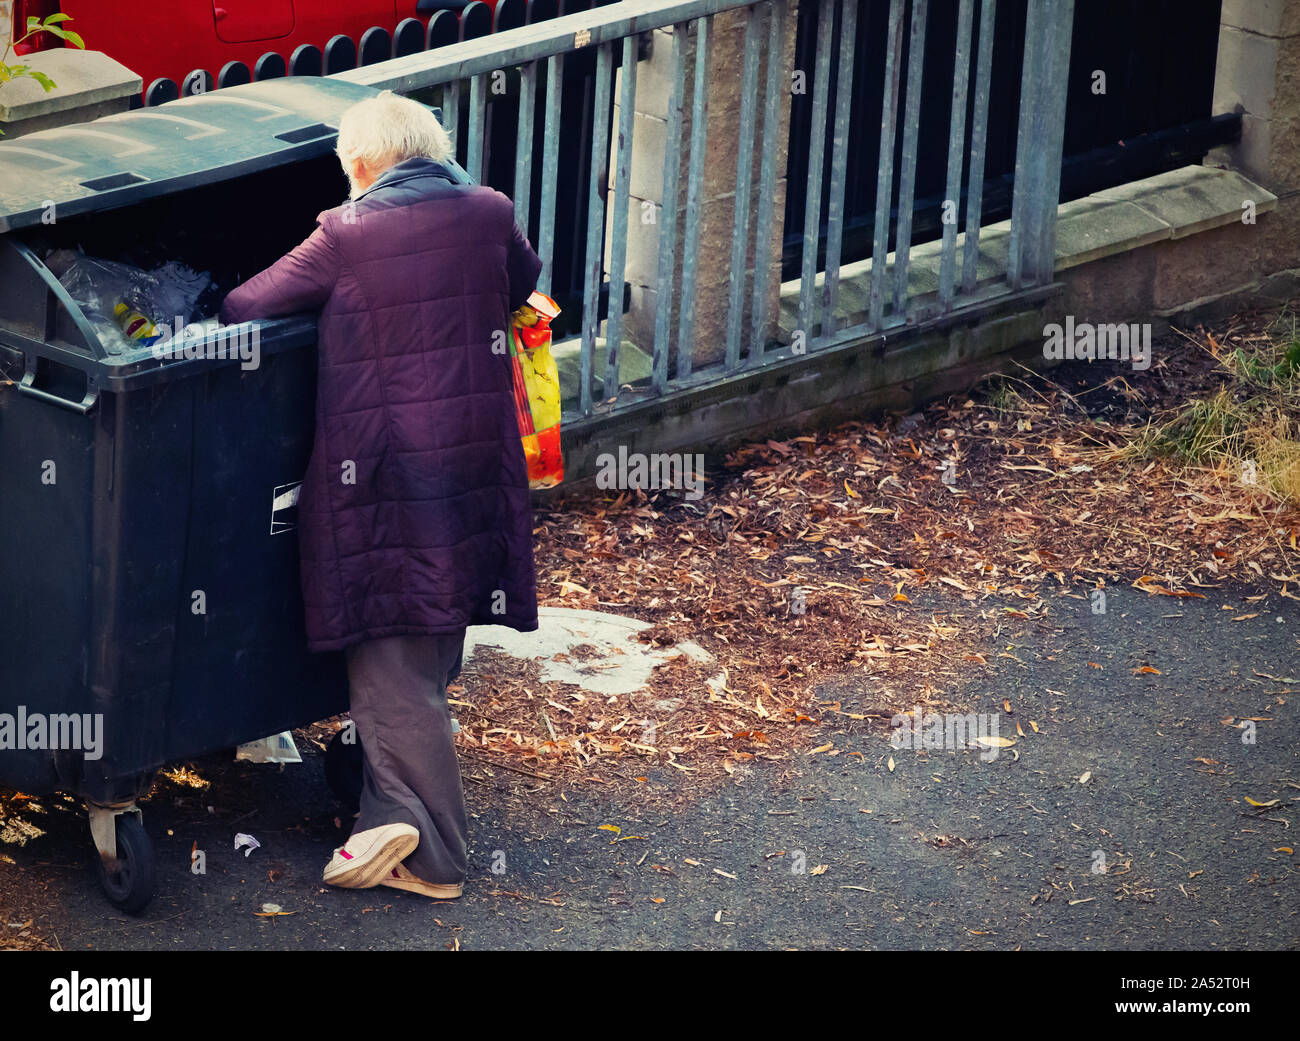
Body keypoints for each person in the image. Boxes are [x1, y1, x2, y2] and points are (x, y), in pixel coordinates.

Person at [219, 90, 542, 899]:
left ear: (360, 165)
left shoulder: (345, 233)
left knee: (393, 659)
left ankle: (429, 851)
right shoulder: (489, 211)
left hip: (386, 480)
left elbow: (244, 305)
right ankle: (383, 806)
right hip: (475, 471)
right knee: (428, 644)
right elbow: (523, 278)